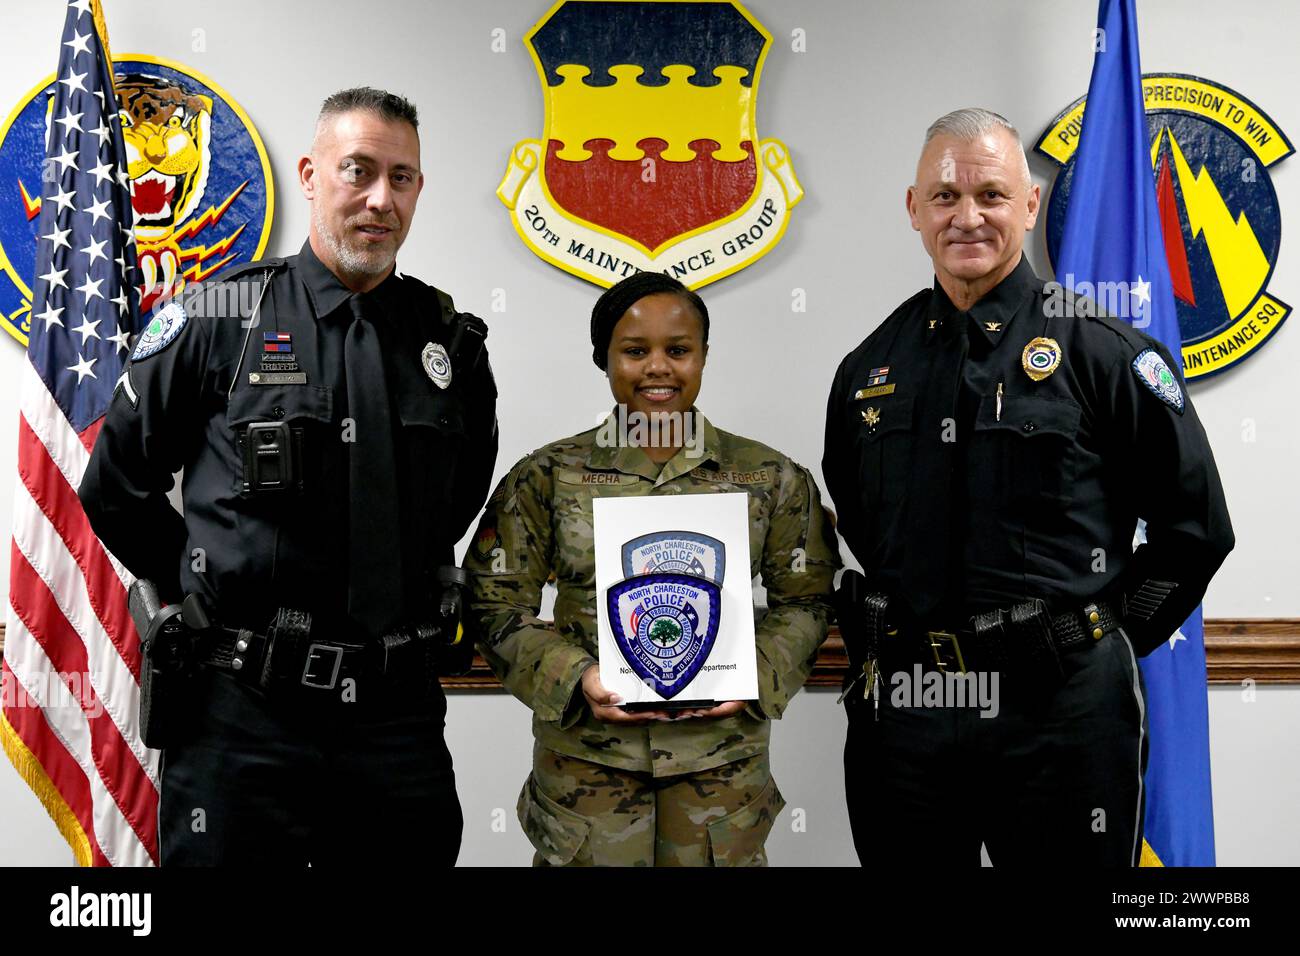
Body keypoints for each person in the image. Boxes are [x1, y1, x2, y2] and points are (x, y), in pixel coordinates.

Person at [78, 87, 498, 865]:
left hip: (395, 719)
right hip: (242, 715)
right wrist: (201, 583)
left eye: (401, 178)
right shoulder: (218, 318)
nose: (381, 199)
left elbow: (456, 496)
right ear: (310, 175)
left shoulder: (450, 344)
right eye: (358, 171)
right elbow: (116, 485)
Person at [822, 108, 1234, 867]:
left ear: (1031, 203)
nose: (967, 216)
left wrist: (1097, 639)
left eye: (991, 195)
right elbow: (861, 518)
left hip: (1062, 714)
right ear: (914, 208)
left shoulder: (1104, 352)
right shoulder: (870, 367)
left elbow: (1194, 530)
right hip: (909, 711)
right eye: (945, 196)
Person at [464, 272, 838, 866]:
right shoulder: (547, 475)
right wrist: (576, 677)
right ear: (605, 359)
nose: (658, 368)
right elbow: (494, 603)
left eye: (678, 350)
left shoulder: (771, 477)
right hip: (586, 772)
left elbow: (808, 601)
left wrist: (752, 674)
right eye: (635, 351)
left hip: (722, 775)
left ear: (704, 355)